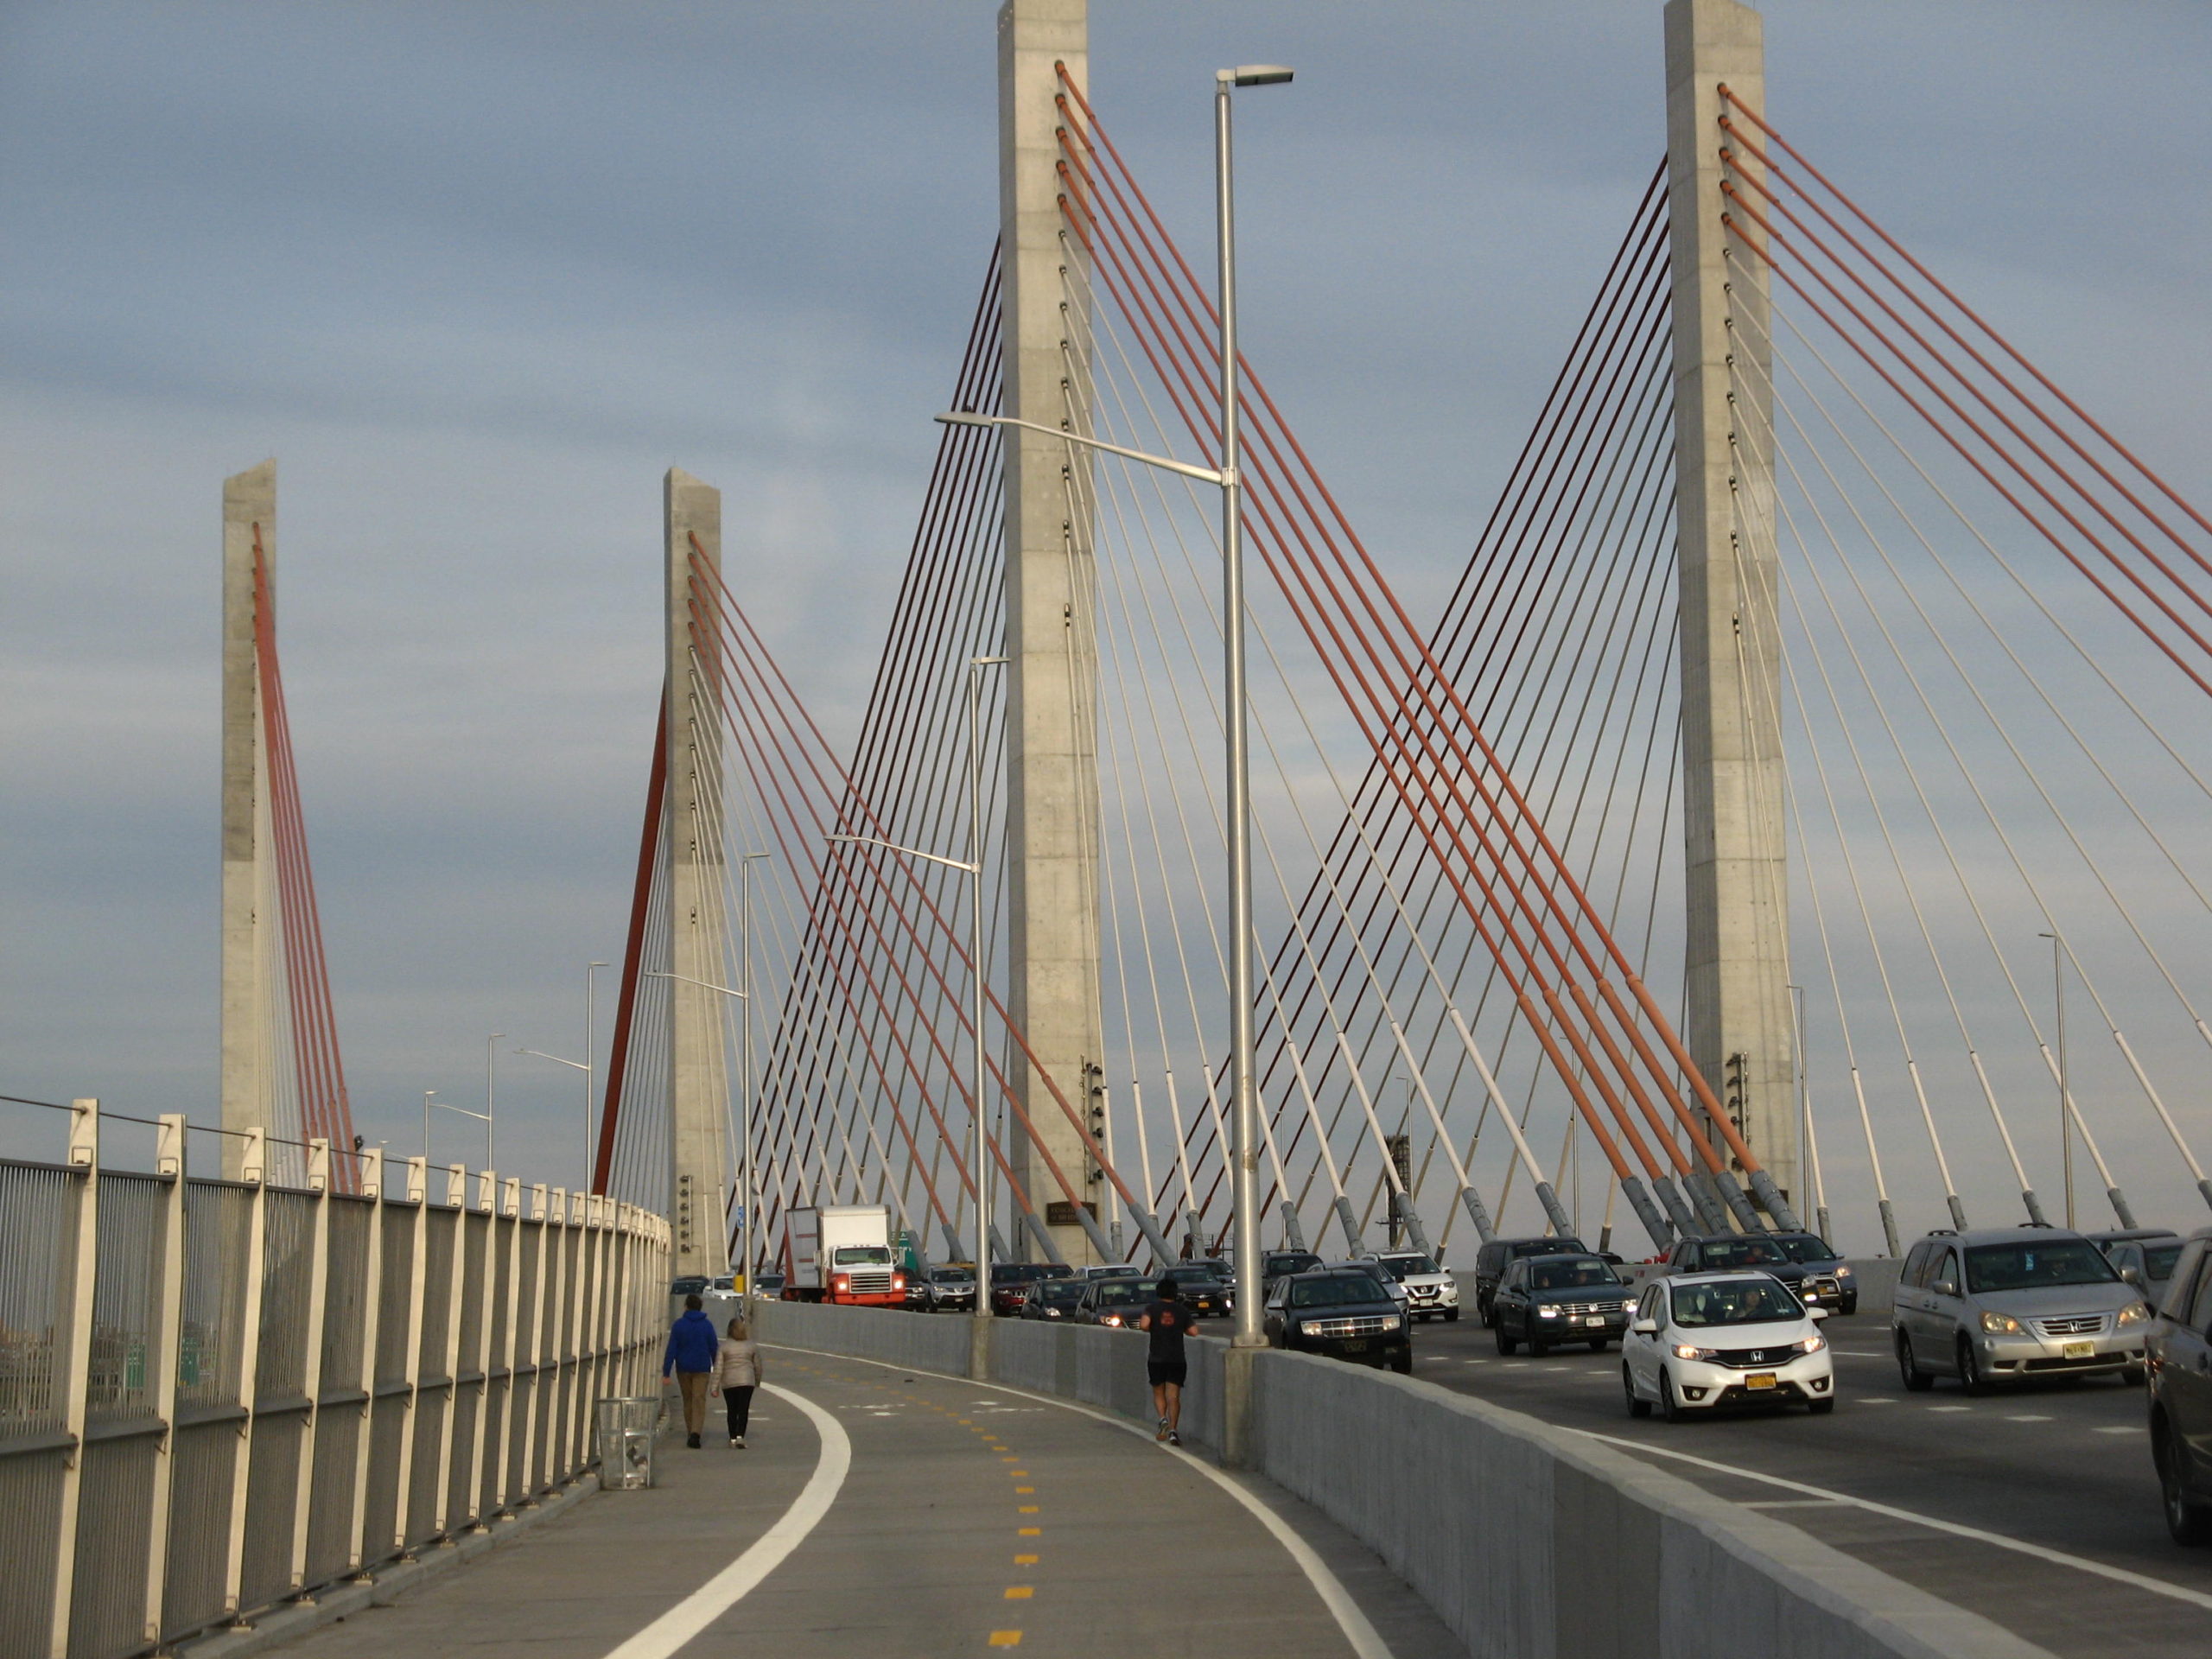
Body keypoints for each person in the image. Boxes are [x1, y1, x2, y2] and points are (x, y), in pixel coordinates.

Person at [1135, 1276, 1197, 1446]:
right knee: (1173, 1396)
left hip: (1156, 1357)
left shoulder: (1151, 1308)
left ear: (1158, 1292)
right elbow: (1193, 1332)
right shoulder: (1182, 1310)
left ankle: (1162, 1419)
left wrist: (1157, 1327)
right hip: (1177, 1358)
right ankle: (1173, 1430)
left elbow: (1144, 1325)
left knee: (1158, 1392)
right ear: (1175, 1293)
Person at [663, 1293, 720, 1448]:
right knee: (699, 1400)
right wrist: (718, 1370)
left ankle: (690, 1432)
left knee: (687, 1400)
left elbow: (671, 1350)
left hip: (683, 1369)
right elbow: (714, 1348)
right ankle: (696, 1433)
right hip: (702, 1368)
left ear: (686, 1306)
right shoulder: (707, 1325)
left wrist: (666, 1372)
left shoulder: (678, 1325)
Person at [710, 1315, 762, 1448]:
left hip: (729, 1382)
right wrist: (757, 1381)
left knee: (732, 1410)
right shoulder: (751, 1345)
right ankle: (740, 1436)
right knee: (743, 1409)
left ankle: (732, 1437)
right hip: (747, 1381)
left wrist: (714, 1387)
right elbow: (757, 1366)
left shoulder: (724, 1346)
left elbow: (718, 1367)